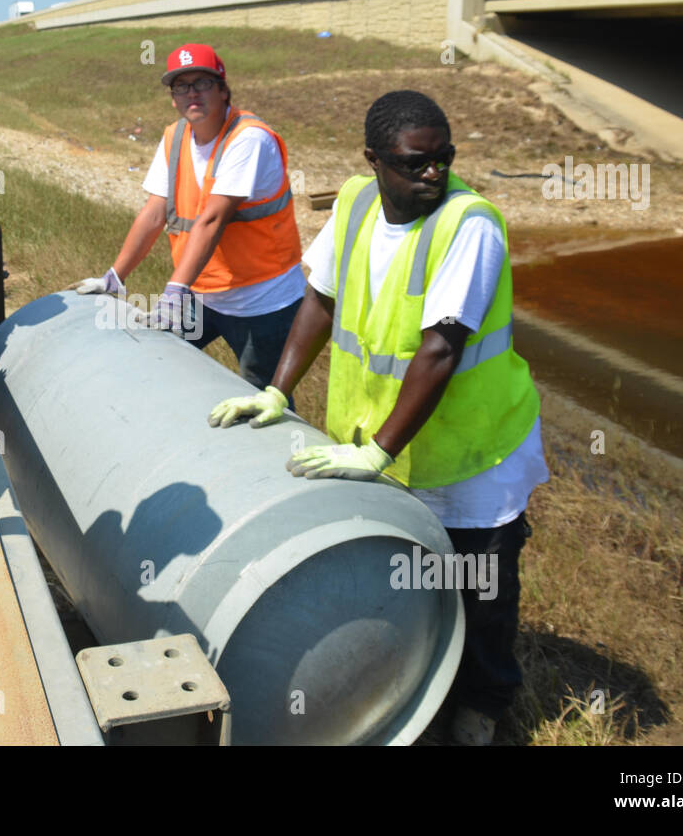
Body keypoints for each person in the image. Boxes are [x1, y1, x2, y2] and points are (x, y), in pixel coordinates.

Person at [207, 90, 549, 745]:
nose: (434, 173)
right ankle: (412, 679)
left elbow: (441, 348)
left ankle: (483, 702)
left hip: (473, 449)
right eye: (416, 161)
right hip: (393, 442)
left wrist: (377, 452)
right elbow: (319, 299)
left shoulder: (467, 224)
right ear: (373, 161)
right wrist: (277, 391)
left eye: (444, 158)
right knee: (406, 569)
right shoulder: (358, 203)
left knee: (478, 580)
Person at [72, 43, 304, 391]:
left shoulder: (249, 139)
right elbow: (153, 213)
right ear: (173, 98)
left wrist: (172, 293)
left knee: (261, 397)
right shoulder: (175, 137)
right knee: (155, 364)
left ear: (223, 90)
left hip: (262, 301)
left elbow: (212, 219)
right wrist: (115, 277)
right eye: (181, 86)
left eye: (202, 83)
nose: (191, 93)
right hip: (202, 293)